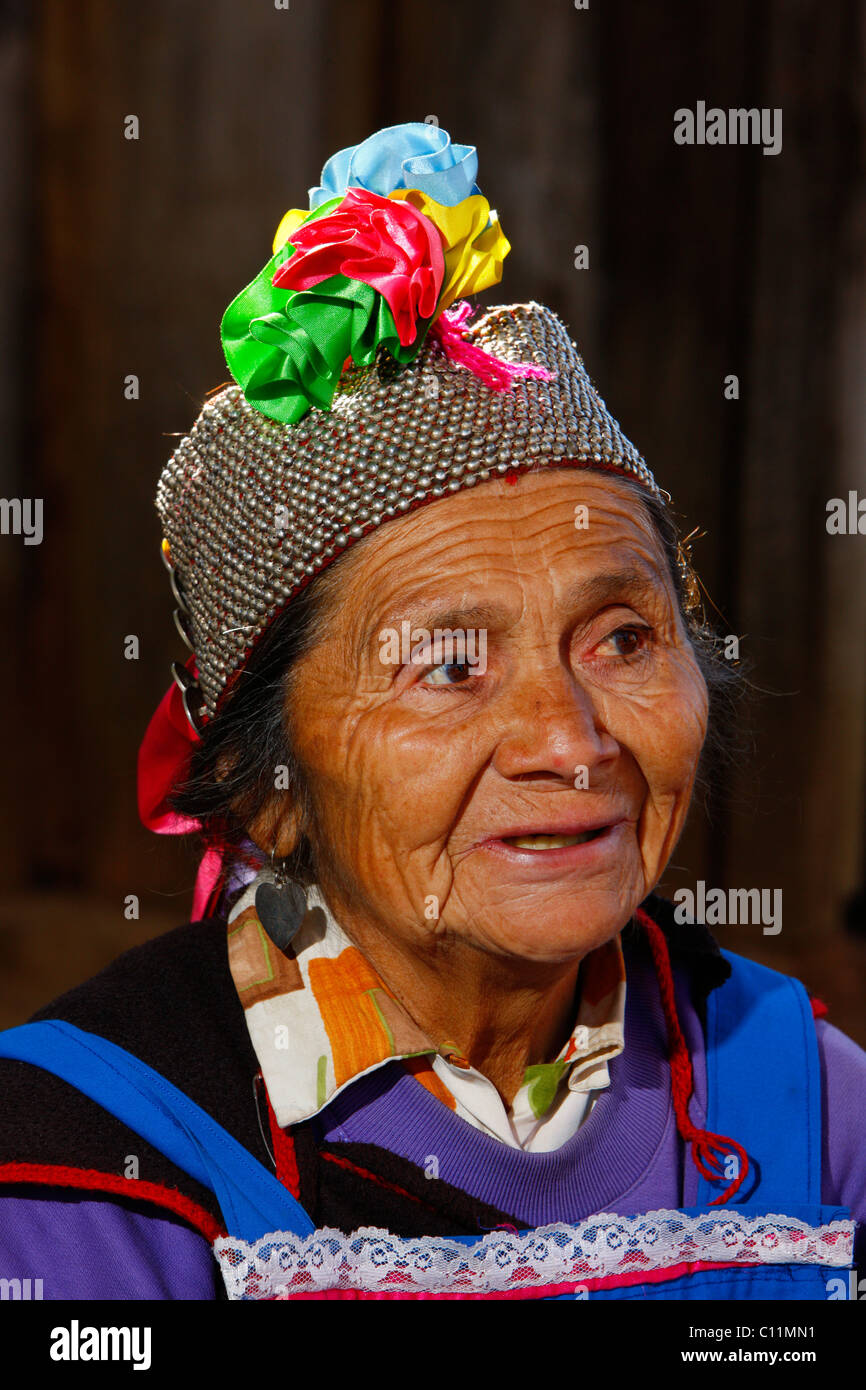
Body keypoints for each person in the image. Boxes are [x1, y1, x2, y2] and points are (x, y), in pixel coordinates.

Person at [0, 123, 863, 1301]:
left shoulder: (804, 1105)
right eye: (447, 665)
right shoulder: (88, 1167)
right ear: (266, 780)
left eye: (620, 639)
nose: (569, 743)